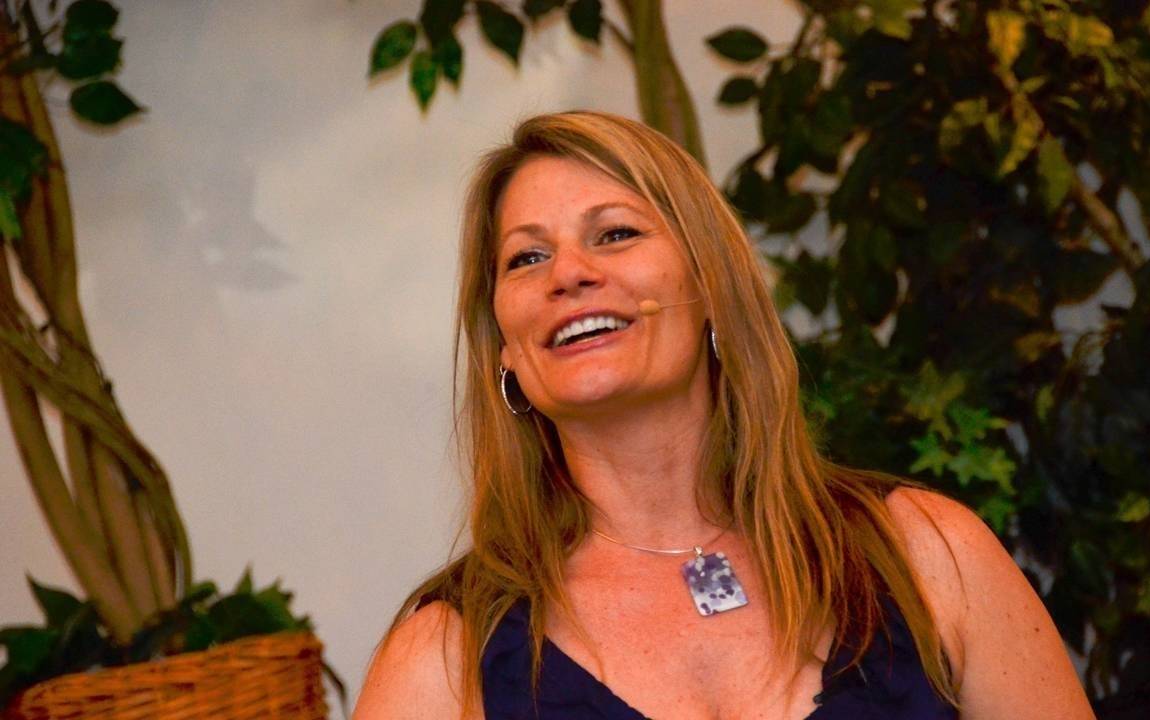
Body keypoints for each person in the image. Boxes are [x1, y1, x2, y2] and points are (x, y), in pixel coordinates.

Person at [353, 110, 1094, 719]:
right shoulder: (444, 662)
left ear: (712, 287)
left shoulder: (926, 555)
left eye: (616, 233)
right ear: (505, 351)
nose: (570, 273)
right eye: (526, 258)